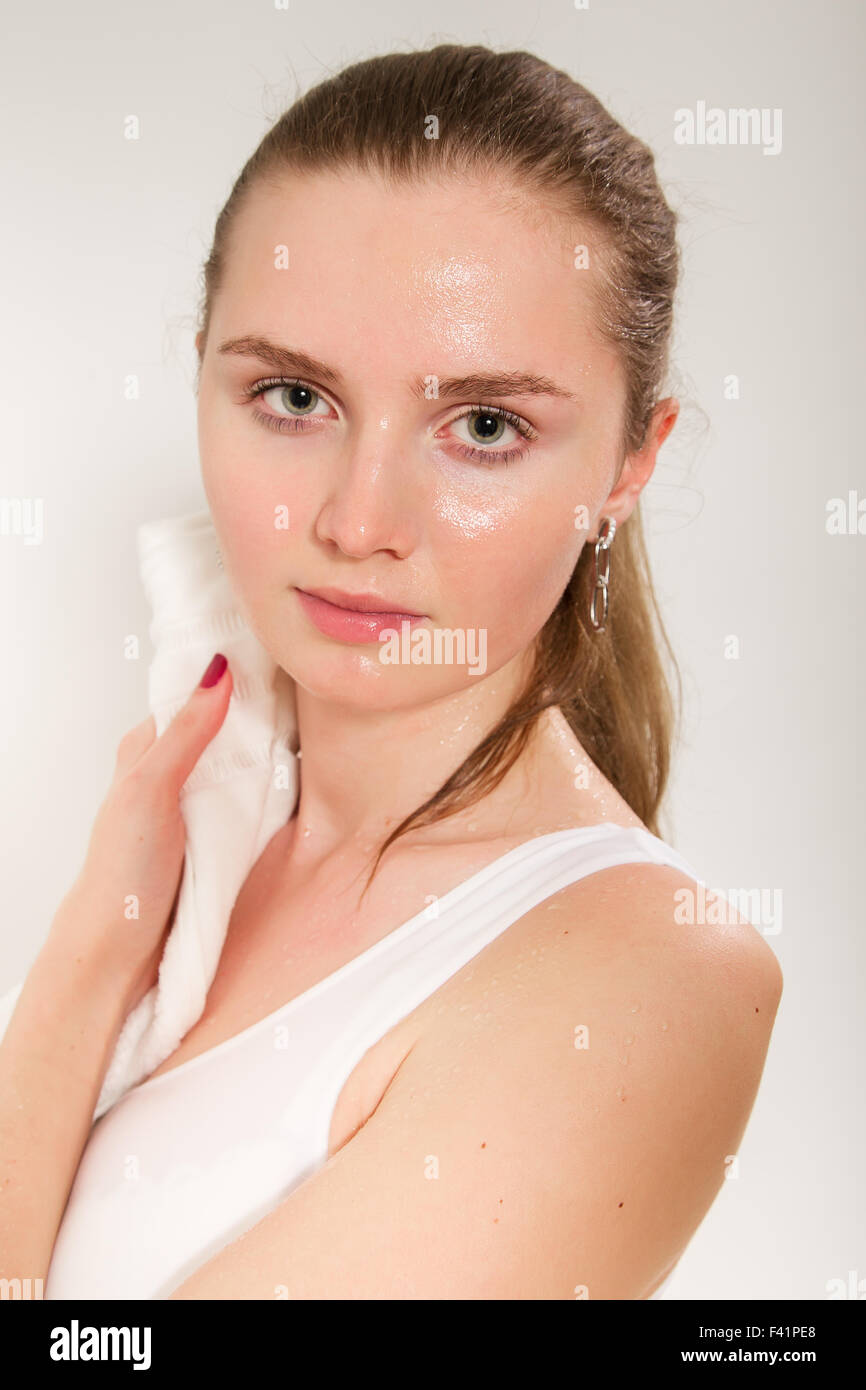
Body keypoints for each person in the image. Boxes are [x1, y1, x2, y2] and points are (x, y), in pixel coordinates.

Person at [0, 43, 782, 1300]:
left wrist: (74, 983)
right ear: (201, 367)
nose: (359, 521)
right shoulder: (205, 836)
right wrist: (94, 951)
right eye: (294, 396)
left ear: (631, 465)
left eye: (483, 426)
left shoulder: (655, 977)